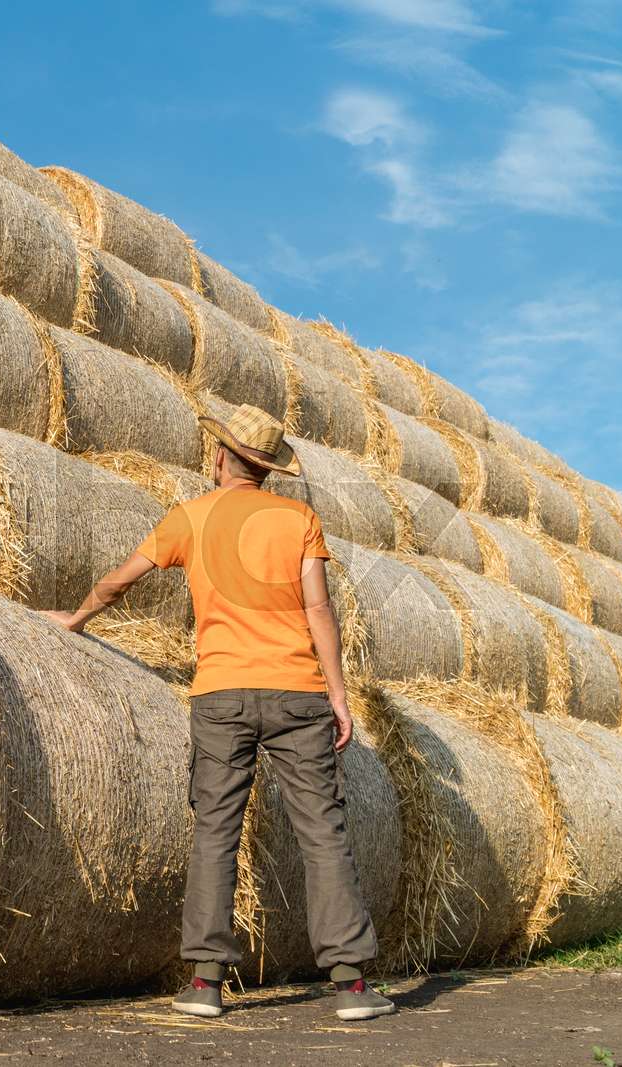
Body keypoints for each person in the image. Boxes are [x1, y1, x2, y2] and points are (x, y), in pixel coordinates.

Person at [42, 404, 396, 1023]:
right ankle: (351, 987)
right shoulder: (299, 519)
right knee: (323, 833)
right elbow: (319, 610)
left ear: (218, 458)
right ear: (266, 471)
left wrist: (75, 618)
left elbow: (122, 579)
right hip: (297, 692)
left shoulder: (190, 517)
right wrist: (338, 694)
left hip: (221, 695)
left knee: (215, 831)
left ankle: (205, 983)